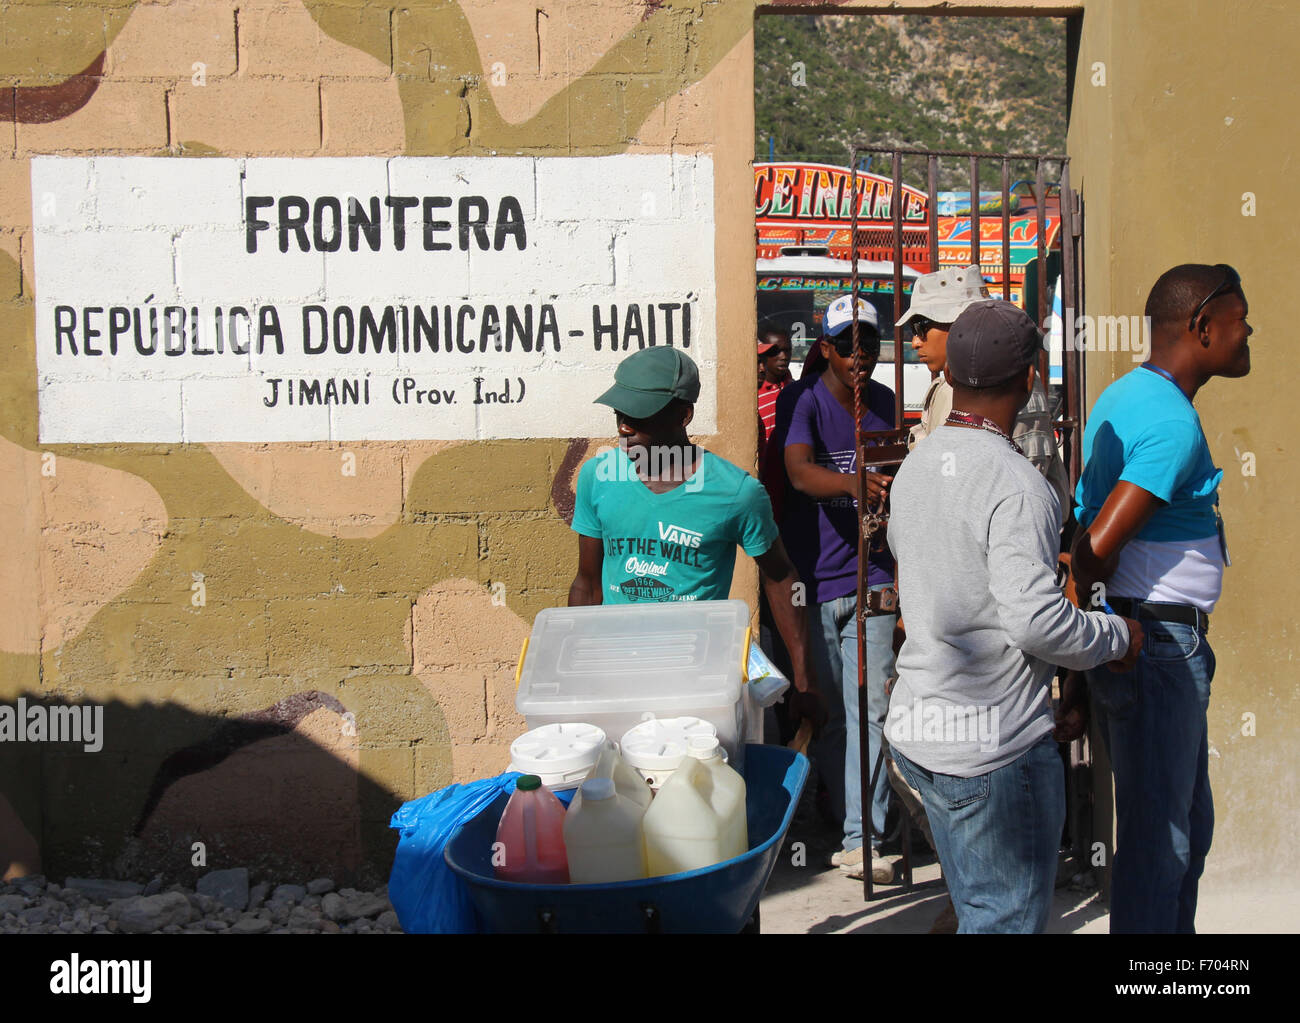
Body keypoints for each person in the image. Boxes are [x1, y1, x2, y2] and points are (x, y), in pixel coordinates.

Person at [886, 299, 1143, 933]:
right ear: (1030, 377)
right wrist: (1117, 635)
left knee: (977, 910)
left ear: (952, 378)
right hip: (992, 755)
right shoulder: (1016, 482)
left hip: (921, 737)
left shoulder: (917, 465)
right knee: (1002, 921)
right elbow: (1036, 623)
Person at [1070, 264, 1252, 934]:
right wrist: (1105, 635)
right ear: (1200, 326)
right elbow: (1093, 545)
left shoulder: (1127, 393)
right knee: (1161, 842)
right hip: (1158, 649)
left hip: (1153, 643)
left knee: (1182, 830)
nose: (1248, 328)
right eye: (1239, 317)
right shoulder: (1172, 424)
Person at [567, 345, 824, 728]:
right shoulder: (598, 477)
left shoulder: (735, 493)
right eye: (620, 412)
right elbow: (588, 584)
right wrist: (574, 672)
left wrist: (804, 681)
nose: (624, 426)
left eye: (639, 414)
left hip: (695, 686)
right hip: (618, 676)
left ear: (683, 414)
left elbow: (781, 575)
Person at [781, 295, 897, 883]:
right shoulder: (803, 401)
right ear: (825, 347)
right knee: (828, 716)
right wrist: (853, 483)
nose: (861, 355)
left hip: (873, 576)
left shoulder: (884, 401)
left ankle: (864, 838)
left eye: (869, 343)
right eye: (848, 344)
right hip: (817, 583)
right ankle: (839, 816)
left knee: (872, 710)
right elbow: (798, 472)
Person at [757, 326, 793, 457]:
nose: (783, 357)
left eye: (787, 350)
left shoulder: (795, 389)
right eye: (776, 351)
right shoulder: (753, 394)